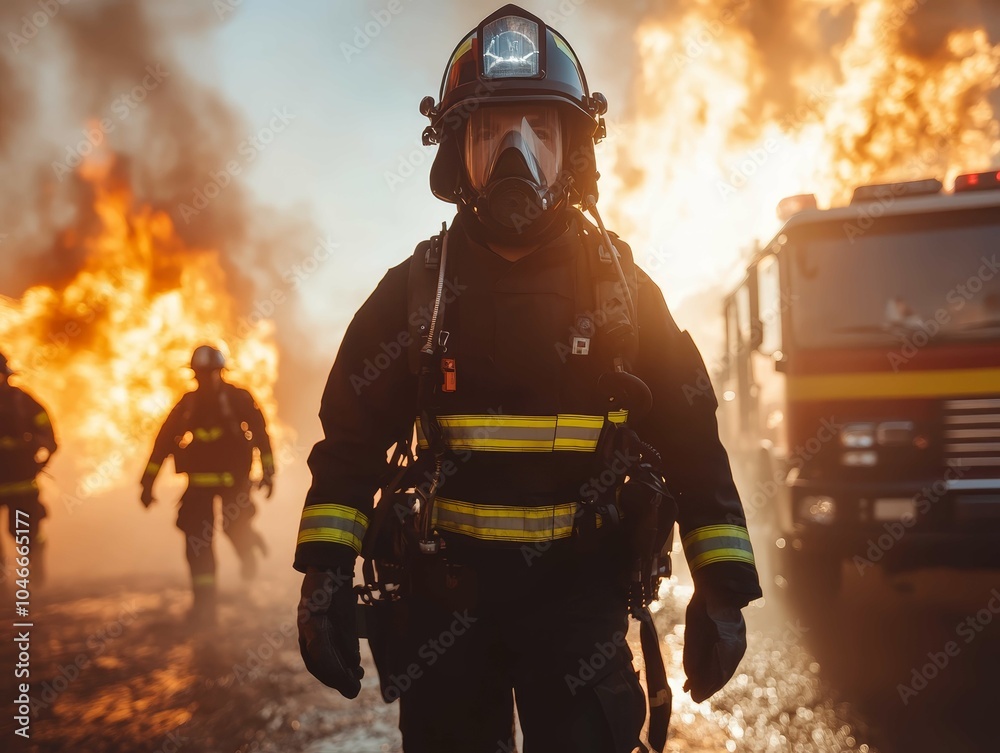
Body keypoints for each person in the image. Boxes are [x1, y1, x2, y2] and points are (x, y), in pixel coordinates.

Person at [294, 6, 762, 752]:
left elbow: (690, 435)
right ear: (459, 152)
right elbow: (349, 440)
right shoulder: (418, 291)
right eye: (492, 133)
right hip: (444, 609)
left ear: (572, 149)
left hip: (580, 603)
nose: (519, 154)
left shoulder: (622, 289)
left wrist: (725, 583)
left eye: (540, 132)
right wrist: (324, 570)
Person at [141, 345, 275, 625]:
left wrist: (269, 472)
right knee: (197, 542)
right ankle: (204, 605)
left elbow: (261, 435)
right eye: (201, 374)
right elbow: (164, 442)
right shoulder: (188, 404)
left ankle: (248, 550)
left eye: (211, 373)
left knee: (234, 527)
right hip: (199, 485)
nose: (206, 379)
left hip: (234, 483)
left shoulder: (239, 399)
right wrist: (147, 482)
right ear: (195, 375)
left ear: (221, 373)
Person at [0, 352, 56, 588]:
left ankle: (34, 567)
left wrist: (39, 453)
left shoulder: (21, 401)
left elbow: (49, 434)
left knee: (22, 529)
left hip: (21, 480)